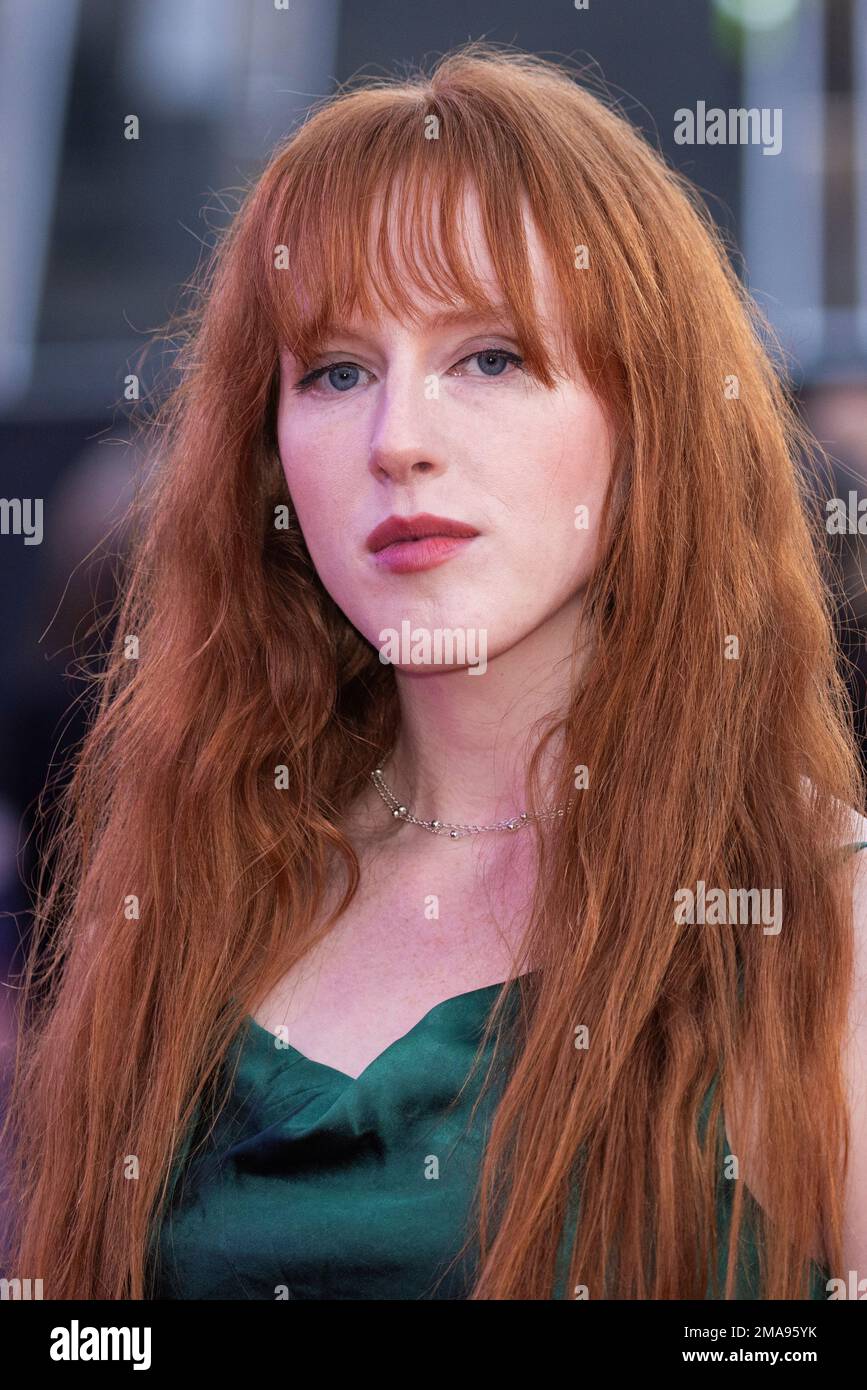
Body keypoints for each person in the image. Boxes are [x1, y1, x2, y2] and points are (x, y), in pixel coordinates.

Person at [3, 43, 866, 1301]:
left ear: (651, 418)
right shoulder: (182, 883)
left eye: (491, 359)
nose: (397, 440)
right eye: (336, 371)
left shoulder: (816, 920)